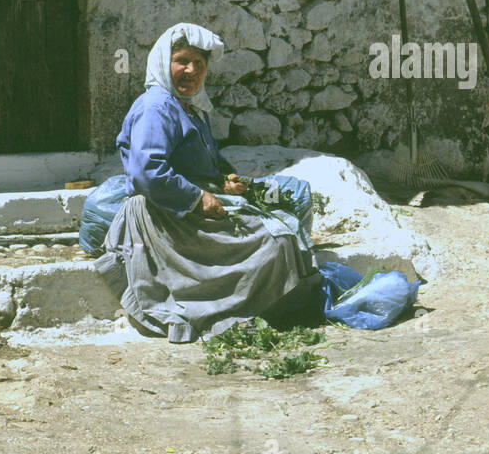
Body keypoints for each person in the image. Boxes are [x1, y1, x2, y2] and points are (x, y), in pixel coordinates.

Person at [94, 22, 320, 344]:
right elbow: (147, 171)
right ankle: (235, 312)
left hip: (190, 207)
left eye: (199, 64)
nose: (191, 70)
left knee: (285, 213)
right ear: (163, 62)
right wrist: (199, 198)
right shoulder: (156, 106)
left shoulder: (191, 107)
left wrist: (224, 177)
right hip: (166, 214)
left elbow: (207, 157)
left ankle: (254, 304)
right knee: (278, 241)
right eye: (182, 61)